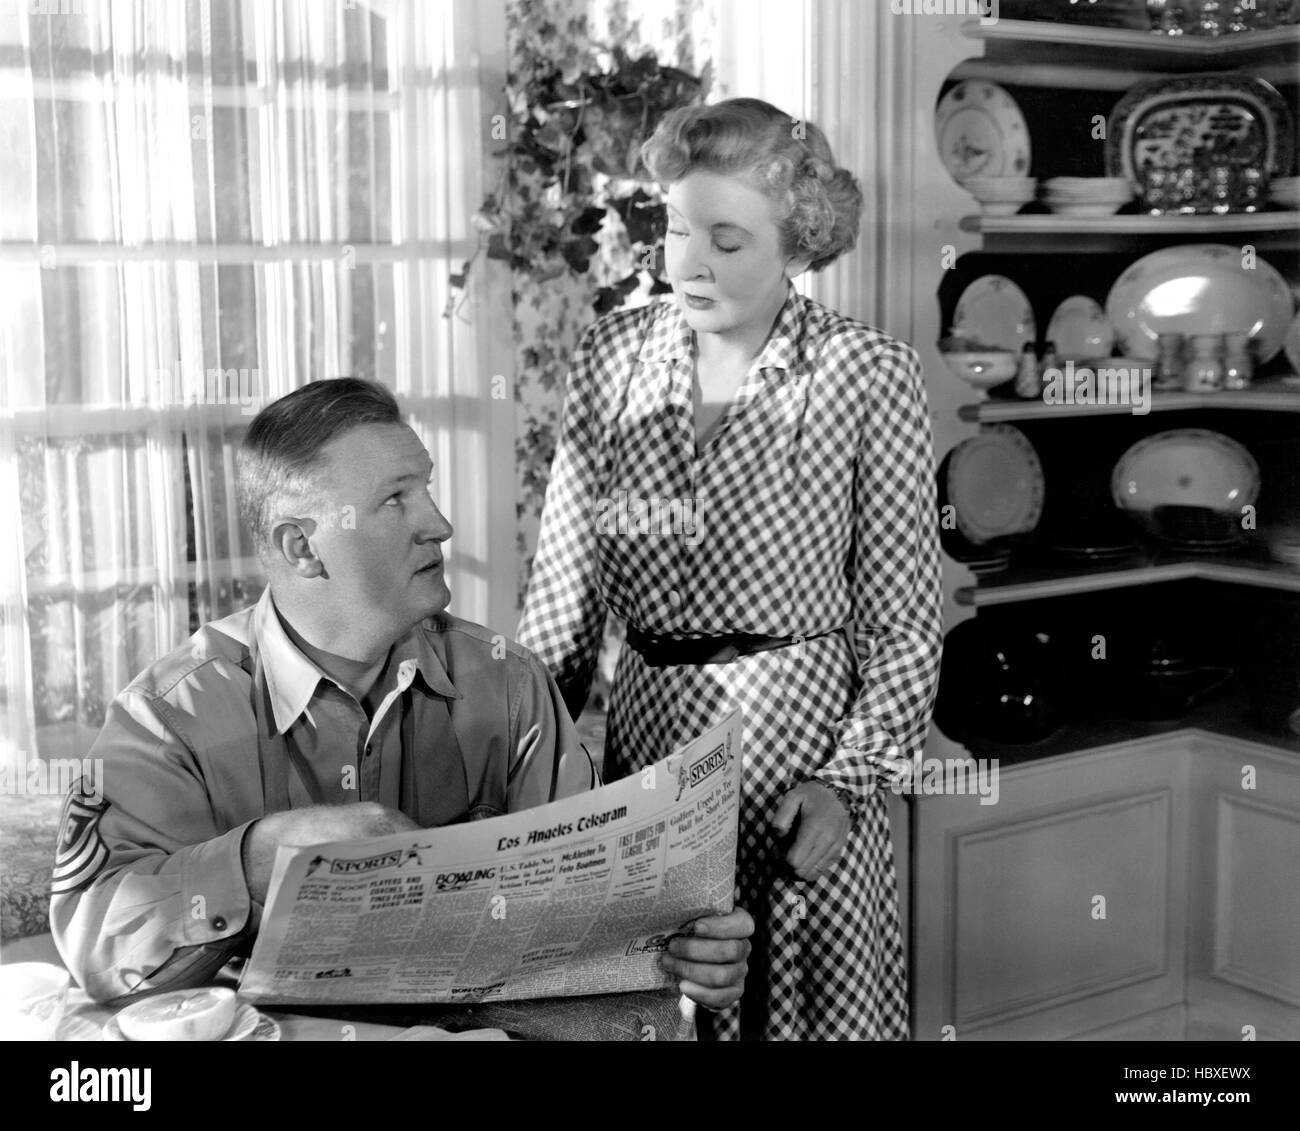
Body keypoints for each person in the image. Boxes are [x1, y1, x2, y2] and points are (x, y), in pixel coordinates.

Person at [51, 378, 752, 1010]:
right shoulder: (169, 717)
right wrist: (260, 856)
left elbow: (589, 920)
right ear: (302, 548)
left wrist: (681, 955)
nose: (440, 523)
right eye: (396, 499)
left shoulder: (511, 684)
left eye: (427, 488)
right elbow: (94, 943)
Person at [518, 99, 943, 1041]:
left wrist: (850, 780)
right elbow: (562, 596)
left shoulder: (867, 374)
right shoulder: (614, 353)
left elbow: (907, 625)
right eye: (675, 230)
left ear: (798, 244)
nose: (691, 263)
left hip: (803, 769)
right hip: (648, 760)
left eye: (726, 239)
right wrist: (527, 791)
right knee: (653, 1009)